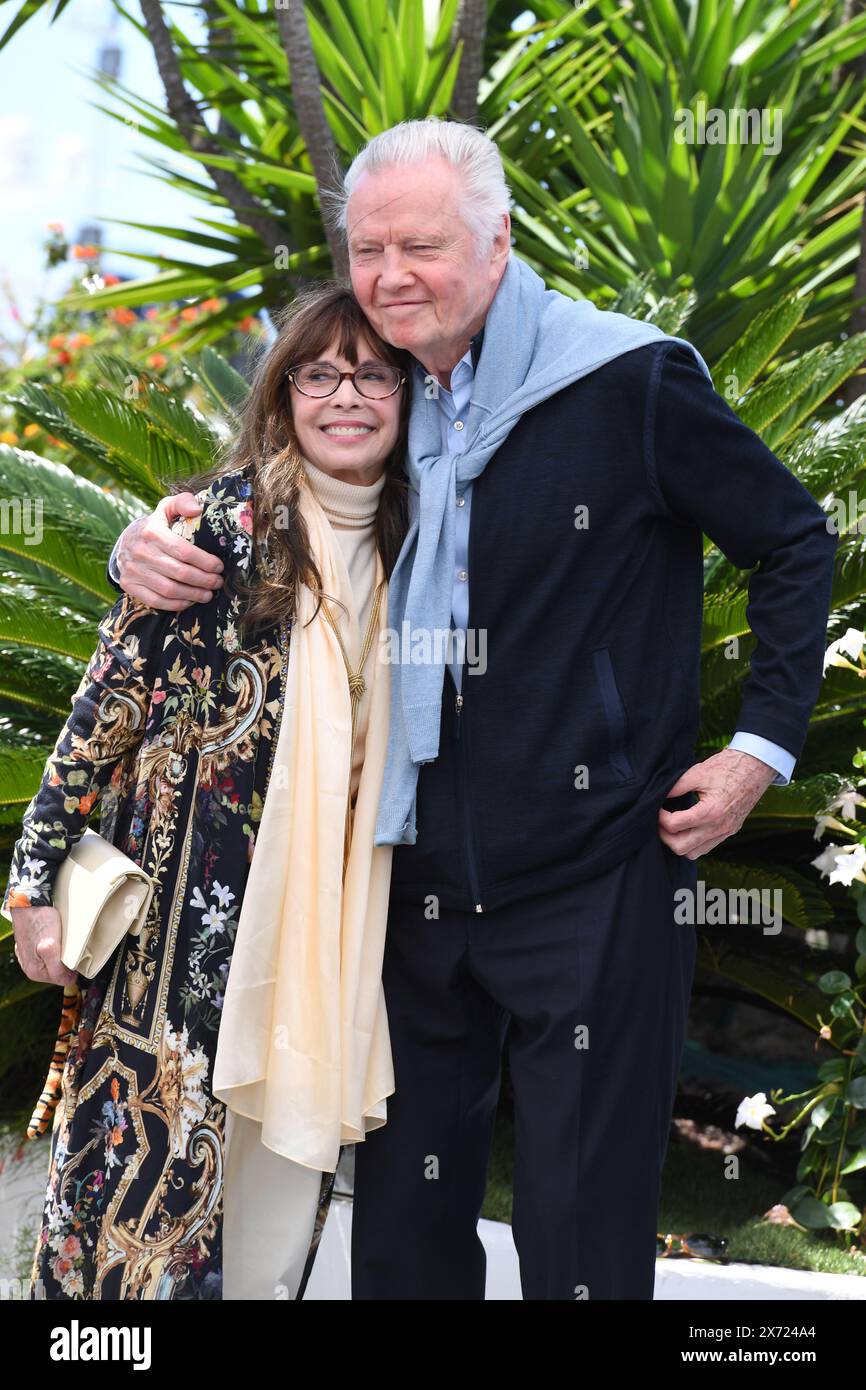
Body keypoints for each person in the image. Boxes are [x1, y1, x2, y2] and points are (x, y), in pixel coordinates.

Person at [103, 118, 840, 1300]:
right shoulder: (387, 399)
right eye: (366, 248)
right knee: (401, 1244)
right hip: (408, 883)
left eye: (422, 247)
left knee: (577, 1242)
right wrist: (143, 549)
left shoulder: (626, 380)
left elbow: (796, 541)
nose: (389, 277)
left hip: (600, 876)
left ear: (498, 242)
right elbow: (259, 513)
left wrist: (759, 745)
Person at [2, 283, 411, 1299]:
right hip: (181, 943)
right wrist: (30, 885)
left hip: (337, 932)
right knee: (135, 1220)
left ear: (410, 392)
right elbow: (105, 709)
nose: (344, 395)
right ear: (282, 395)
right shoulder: (215, 529)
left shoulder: (433, 538)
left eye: (372, 373)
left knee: (274, 1226)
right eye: (318, 373)